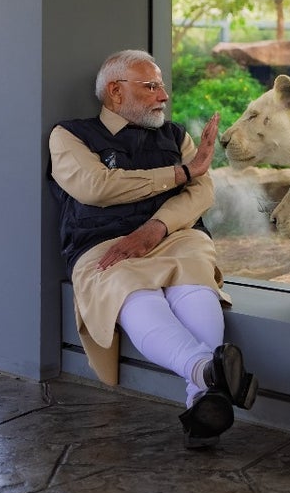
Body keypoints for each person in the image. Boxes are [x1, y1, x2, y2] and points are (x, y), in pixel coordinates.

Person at [48, 49, 258, 448]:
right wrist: (178, 173)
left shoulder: (177, 135)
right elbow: (96, 187)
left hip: (174, 236)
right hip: (102, 245)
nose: (163, 96)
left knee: (194, 271)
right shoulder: (70, 135)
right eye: (151, 86)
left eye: (162, 86)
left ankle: (203, 394)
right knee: (129, 288)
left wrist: (156, 226)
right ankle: (205, 375)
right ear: (115, 92)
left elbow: (202, 191)